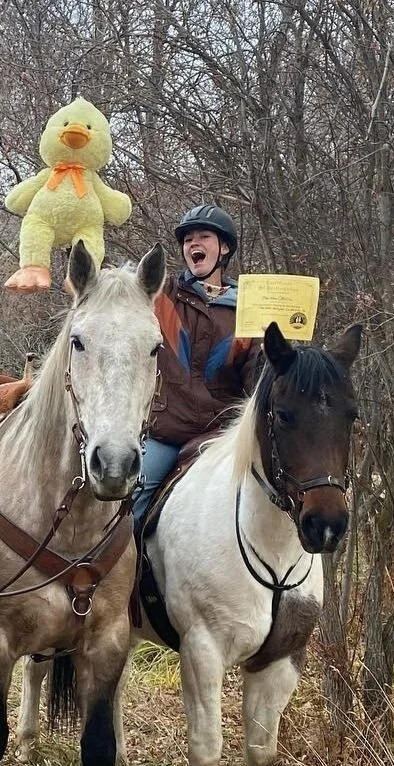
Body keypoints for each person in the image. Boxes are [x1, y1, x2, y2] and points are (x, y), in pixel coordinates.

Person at [133, 203, 260, 525]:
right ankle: (125, 558)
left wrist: (277, 348)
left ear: (224, 248)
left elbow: (255, 379)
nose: (193, 244)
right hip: (165, 431)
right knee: (129, 501)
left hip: (220, 437)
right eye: (188, 239)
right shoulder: (162, 296)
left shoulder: (249, 309)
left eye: (203, 236)